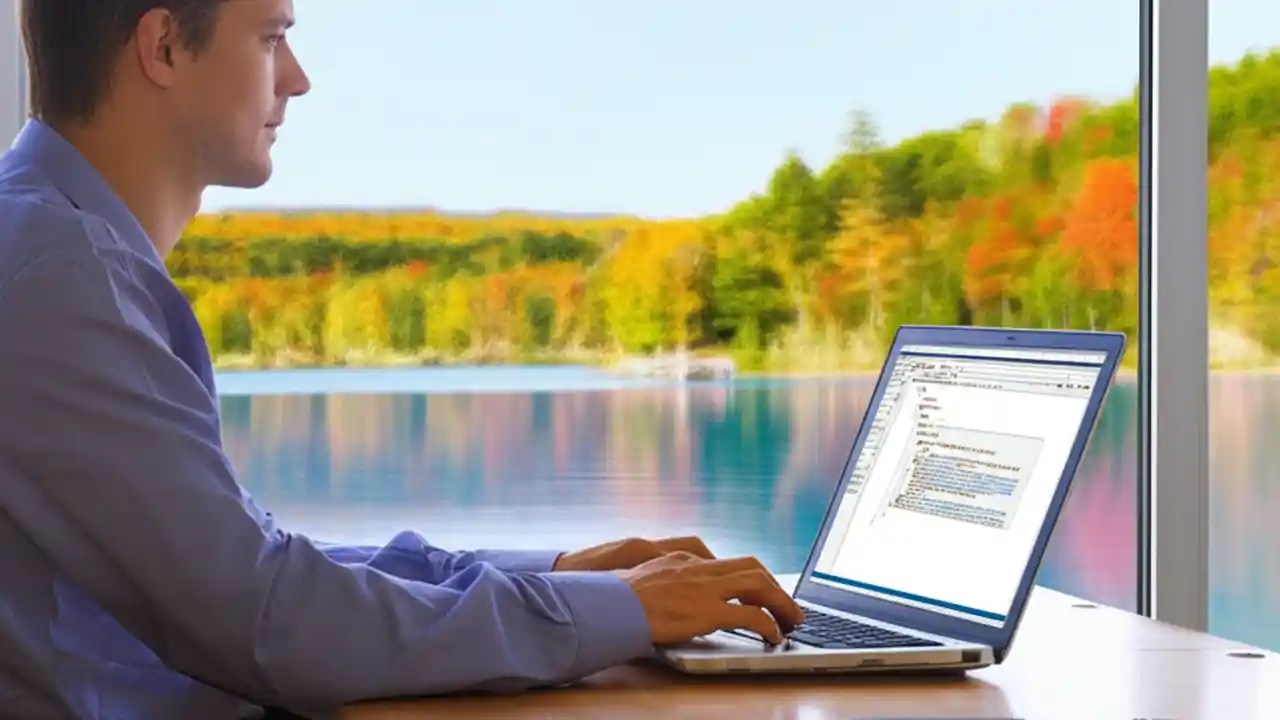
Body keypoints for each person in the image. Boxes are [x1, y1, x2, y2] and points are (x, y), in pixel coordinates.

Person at [0, 1, 804, 718]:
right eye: (272, 37)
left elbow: (249, 568)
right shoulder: (60, 272)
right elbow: (266, 619)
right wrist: (610, 612)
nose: (300, 79)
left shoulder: (49, 243)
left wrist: (565, 576)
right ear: (165, 46)